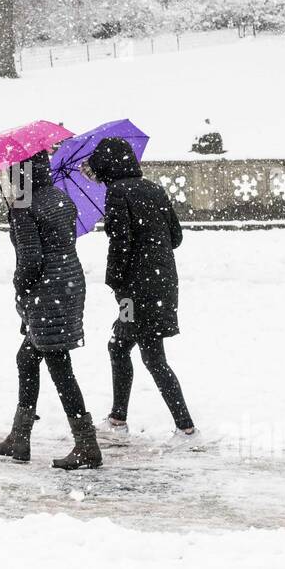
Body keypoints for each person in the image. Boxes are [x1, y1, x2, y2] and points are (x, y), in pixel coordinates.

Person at [0, 151, 102, 470]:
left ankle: (86, 444)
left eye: (8, 171)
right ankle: (19, 437)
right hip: (68, 283)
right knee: (27, 358)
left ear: (18, 173)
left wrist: (19, 284)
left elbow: (30, 261)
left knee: (58, 364)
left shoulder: (24, 206)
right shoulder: (58, 197)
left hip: (46, 290)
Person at [86, 137, 200, 445]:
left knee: (149, 355)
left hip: (134, 289)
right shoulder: (154, 189)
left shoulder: (117, 193)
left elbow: (120, 243)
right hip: (163, 281)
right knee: (122, 346)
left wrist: (115, 279)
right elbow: (175, 236)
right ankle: (119, 418)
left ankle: (185, 428)